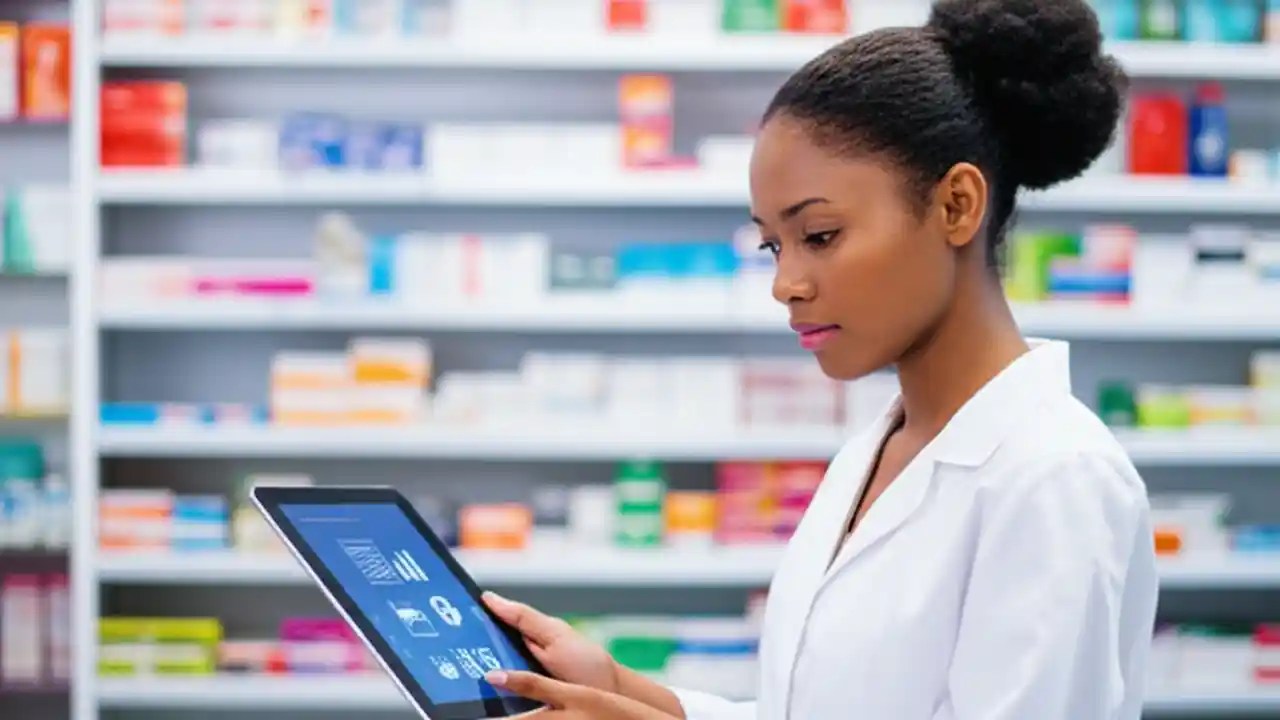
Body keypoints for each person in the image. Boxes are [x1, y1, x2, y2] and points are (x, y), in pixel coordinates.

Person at [481, 0, 1159, 717]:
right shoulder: (878, 453)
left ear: (957, 206)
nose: (786, 284)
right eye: (775, 245)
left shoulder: (1056, 480)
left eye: (822, 235)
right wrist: (620, 688)